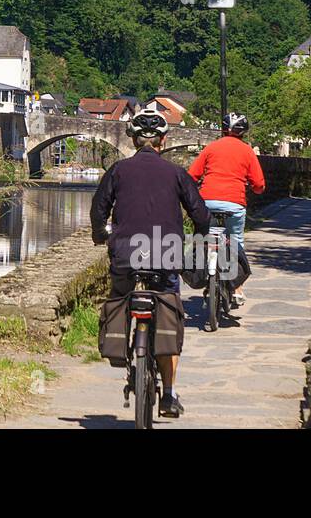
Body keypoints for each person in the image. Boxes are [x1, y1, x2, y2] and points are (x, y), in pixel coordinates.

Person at [91, 108, 210, 418]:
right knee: (170, 310)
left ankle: (121, 345)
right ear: (164, 140)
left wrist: (100, 235)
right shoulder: (177, 174)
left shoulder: (118, 170)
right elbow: (201, 215)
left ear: (132, 139)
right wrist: (197, 236)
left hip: (125, 254)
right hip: (166, 254)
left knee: (120, 296)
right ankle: (169, 395)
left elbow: (98, 210)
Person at [187, 112, 265, 306]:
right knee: (235, 241)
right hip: (234, 203)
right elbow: (259, 184)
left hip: (208, 202)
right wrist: (254, 188)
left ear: (223, 130)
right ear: (244, 132)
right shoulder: (247, 151)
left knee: (203, 237)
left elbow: (192, 176)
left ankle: (203, 274)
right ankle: (237, 287)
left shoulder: (211, 148)